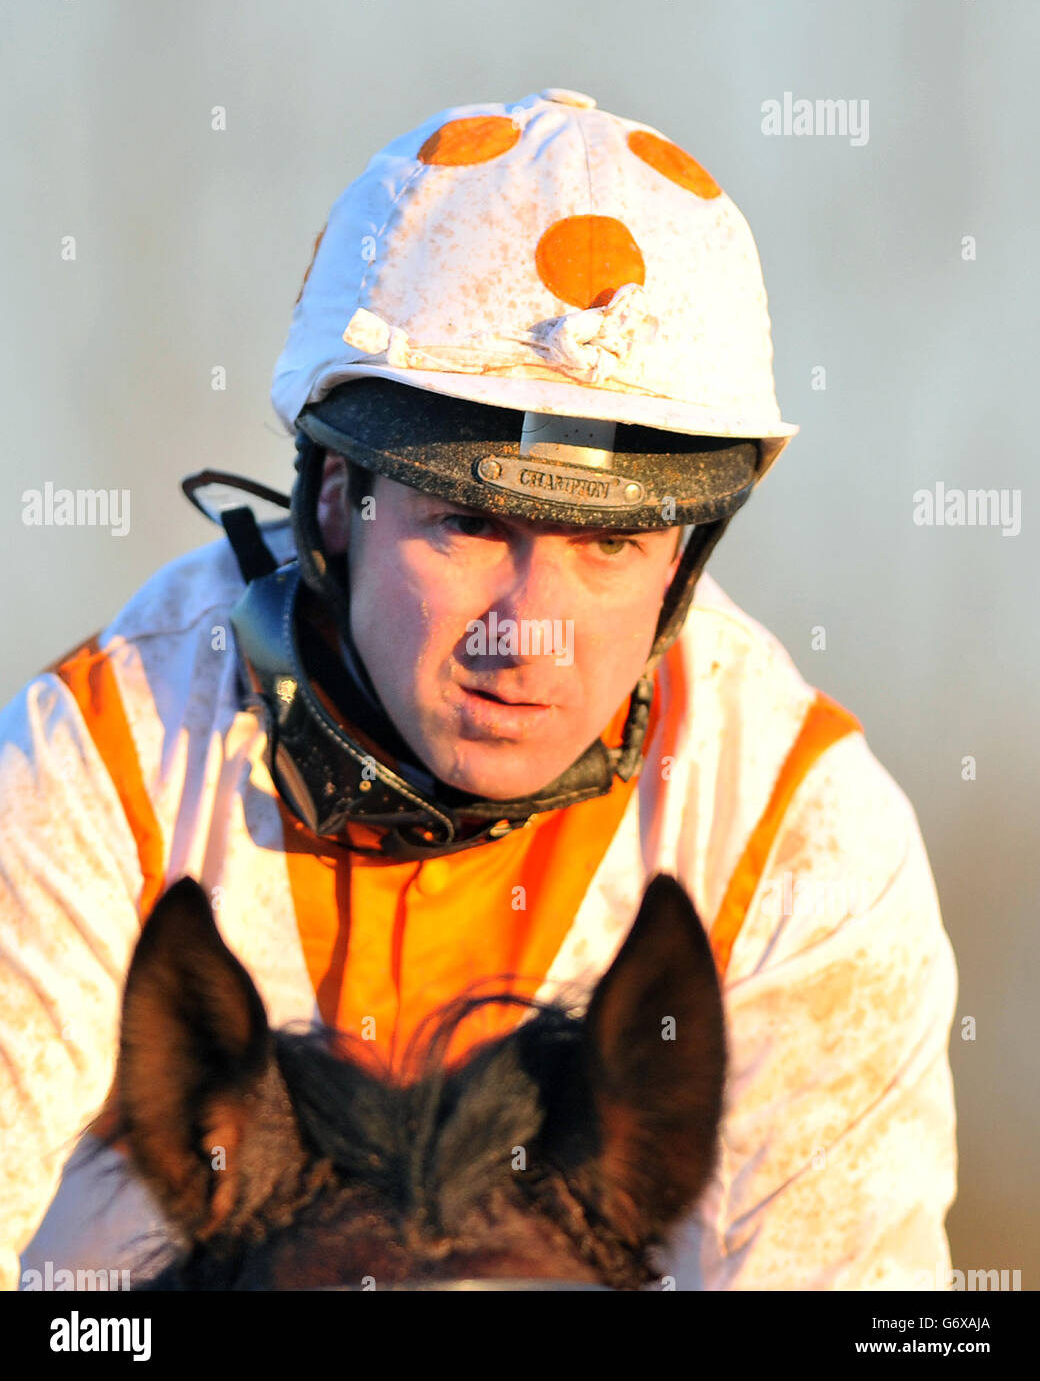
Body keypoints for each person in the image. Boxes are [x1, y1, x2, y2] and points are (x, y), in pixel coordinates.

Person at [2, 88, 957, 1291]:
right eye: (466, 523)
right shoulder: (95, 766)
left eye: (605, 545)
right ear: (337, 502)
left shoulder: (808, 837)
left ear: (680, 560)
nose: (531, 637)